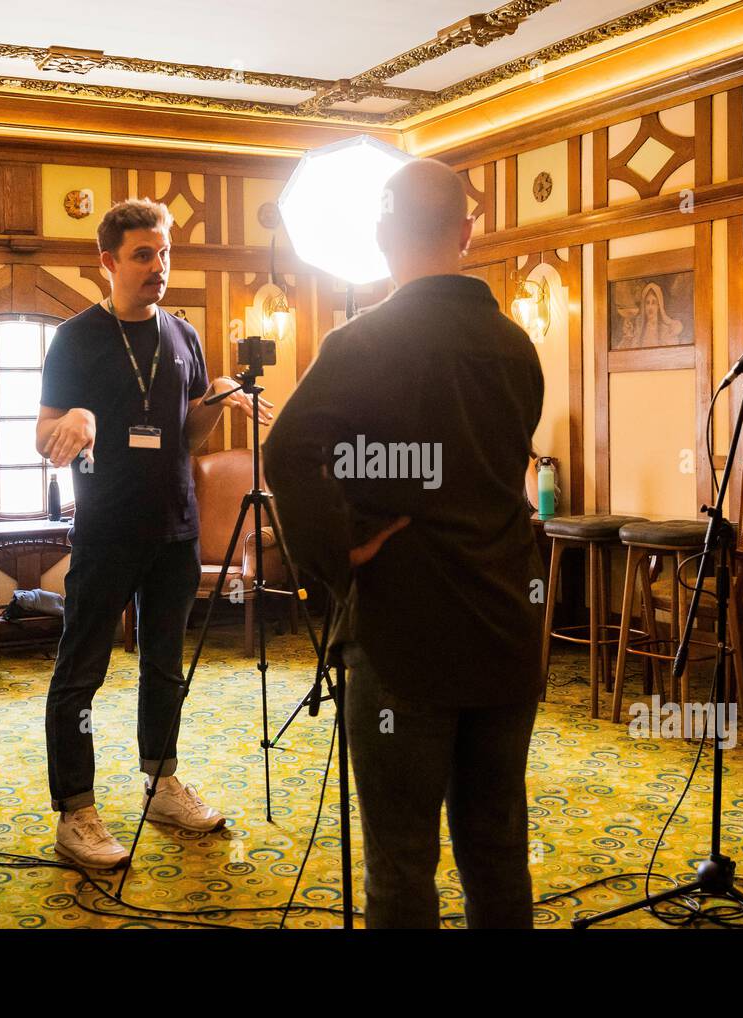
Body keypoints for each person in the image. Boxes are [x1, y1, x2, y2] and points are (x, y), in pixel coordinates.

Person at [264, 158, 545, 928]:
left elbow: (286, 455)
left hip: (406, 632)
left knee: (400, 858)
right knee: (497, 846)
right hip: (505, 631)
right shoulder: (518, 346)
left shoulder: (361, 342)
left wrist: (336, 559)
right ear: (466, 232)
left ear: (383, 234)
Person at [36, 197, 273, 870]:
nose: (157, 267)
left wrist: (220, 399)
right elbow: (44, 433)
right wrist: (76, 418)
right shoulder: (76, 338)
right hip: (108, 528)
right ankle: (75, 810)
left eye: (164, 253)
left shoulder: (183, 336)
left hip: (176, 527)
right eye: (143, 255)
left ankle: (161, 780)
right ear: (108, 262)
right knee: (81, 671)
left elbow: (188, 434)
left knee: (165, 667)